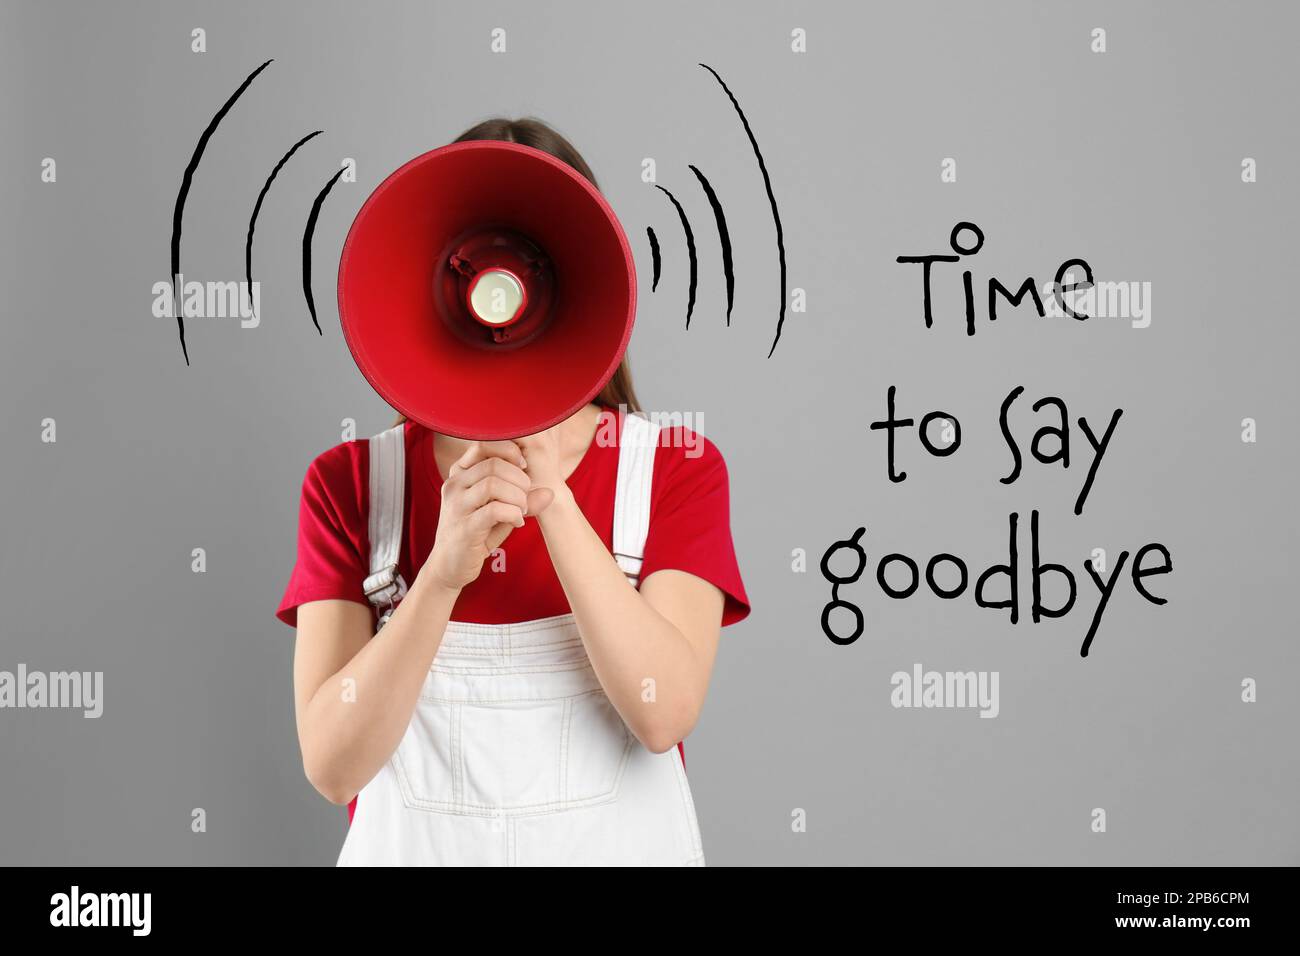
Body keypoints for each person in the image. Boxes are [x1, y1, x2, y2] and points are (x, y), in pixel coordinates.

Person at [275, 117, 750, 866]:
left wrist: (553, 502)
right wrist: (438, 576)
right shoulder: (352, 485)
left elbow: (663, 716)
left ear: (585, 291)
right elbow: (332, 769)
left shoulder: (675, 469)